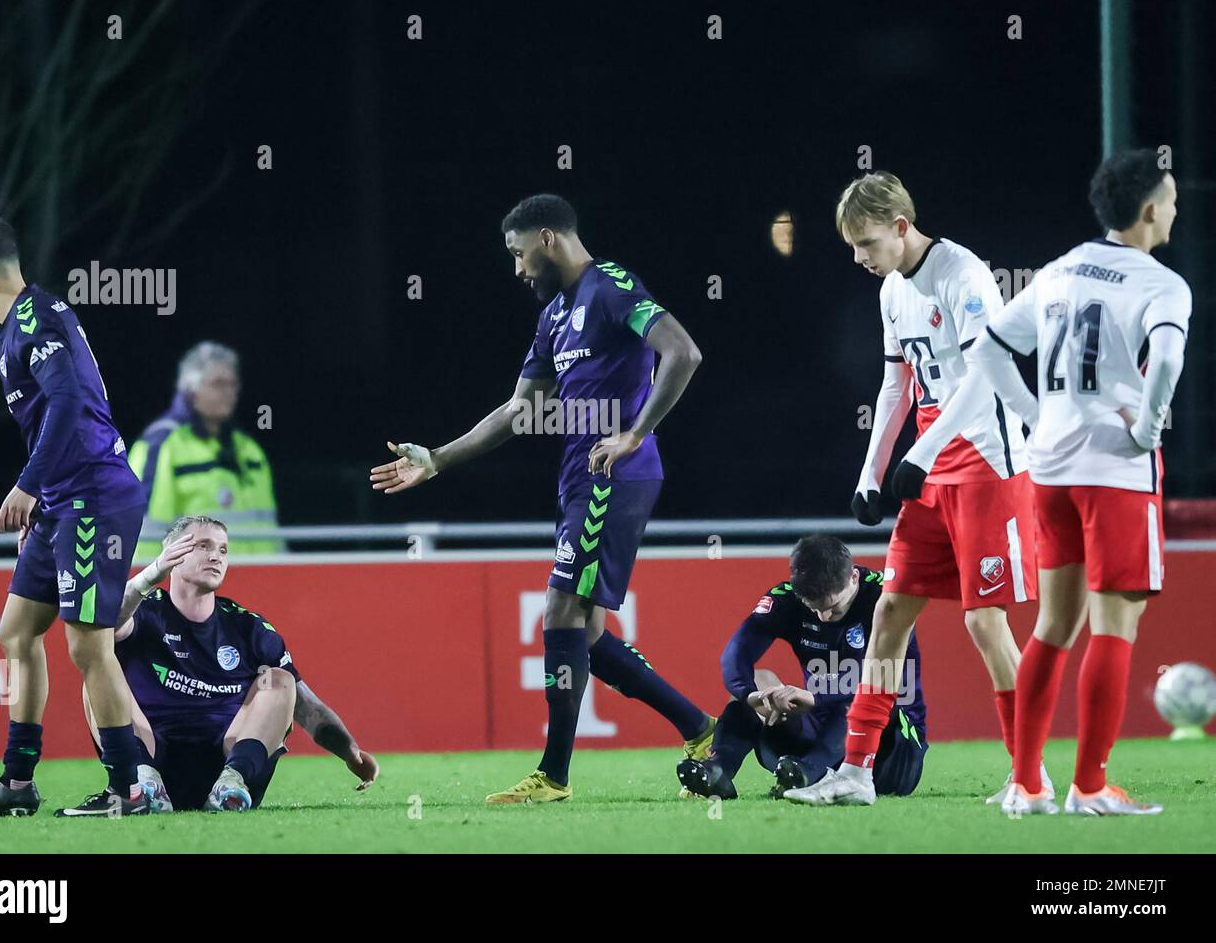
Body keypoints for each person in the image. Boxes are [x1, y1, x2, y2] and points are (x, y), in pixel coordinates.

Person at [370, 194, 712, 804]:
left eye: (518, 253)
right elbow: (518, 409)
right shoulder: (555, 313)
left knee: (559, 610)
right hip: (580, 476)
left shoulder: (611, 286)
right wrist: (440, 460)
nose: (518, 268)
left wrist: (635, 433)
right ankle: (701, 731)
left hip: (616, 474)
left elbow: (683, 352)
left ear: (548, 237)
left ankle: (552, 777)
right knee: (590, 636)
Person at [784, 173, 1049, 808]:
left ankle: (1029, 776)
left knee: (986, 622)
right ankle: (855, 770)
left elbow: (985, 375)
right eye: (851, 246)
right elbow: (896, 386)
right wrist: (870, 472)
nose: (859, 258)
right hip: (930, 474)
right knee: (889, 612)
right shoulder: (893, 291)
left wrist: (920, 455)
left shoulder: (964, 276)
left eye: (867, 242)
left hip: (988, 466)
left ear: (902, 226)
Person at [963, 150, 1188, 816]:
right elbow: (1169, 354)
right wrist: (1148, 425)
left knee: (1054, 623)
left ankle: (1027, 782)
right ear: (1149, 211)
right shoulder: (1161, 283)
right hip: (1115, 468)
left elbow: (989, 348)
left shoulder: (1060, 270)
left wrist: (1037, 416)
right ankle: (1089, 784)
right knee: (1115, 623)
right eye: (1171, 198)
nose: (1175, 208)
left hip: (1051, 468)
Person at [0, 217, 151, 818]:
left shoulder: (36, 319)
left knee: (88, 644)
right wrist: (41, 499)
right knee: (15, 632)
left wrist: (27, 488)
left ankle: (128, 789)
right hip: (61, 499)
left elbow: (67, 403)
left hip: (91, 495)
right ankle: (17, 783)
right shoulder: (16, 329)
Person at [97, 515, 378, 812]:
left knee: (280, 680)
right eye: (203, 546)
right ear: (172, 555)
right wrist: (151, 575)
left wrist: (350, 752)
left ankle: (231, 785)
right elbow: (103, 623)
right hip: (152, 760)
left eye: (222, 550)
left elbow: (306, 706)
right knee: (97, 667)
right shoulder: (144, 612)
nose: (215, 556)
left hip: (226, 768)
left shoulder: (248, 628)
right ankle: (144, 785)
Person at [678, 536, 927, 801]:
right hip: (821, 737)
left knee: (861, 701)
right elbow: (735, 655)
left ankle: (811, 771)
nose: (824, 617)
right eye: (814, 608)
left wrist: (816, 698)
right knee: (760, 682)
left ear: (854, 577)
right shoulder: (787, 600)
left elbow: (888, 674)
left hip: (893, 753)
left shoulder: (886, 598)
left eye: (833, 607)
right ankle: (718, 770)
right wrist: (752, 696)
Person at [128, 342, 281, 559]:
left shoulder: (249, 450)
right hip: (198, 585)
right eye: (218, 384)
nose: (229, 392)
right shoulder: (161, 445)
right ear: (191, 389)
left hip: (262, 581)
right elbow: (146, 531)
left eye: (233, 384)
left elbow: (271, 530)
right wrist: (147, 587)